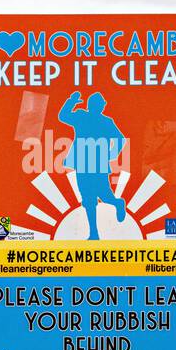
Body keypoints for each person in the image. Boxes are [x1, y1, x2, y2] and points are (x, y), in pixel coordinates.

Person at [58, 91, 126, 240]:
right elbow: (62, 116)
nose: (100, 106)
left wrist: (111, 154)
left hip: (98, 166)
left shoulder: (106, 122)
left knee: (105, 195)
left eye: (100, 104)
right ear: (92, 106)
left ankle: (118, 203)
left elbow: (120, 139)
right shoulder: (82, 117)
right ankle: (94, 234)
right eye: (98, 104)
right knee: (89, 200)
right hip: (82, 165)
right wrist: (72, 100)